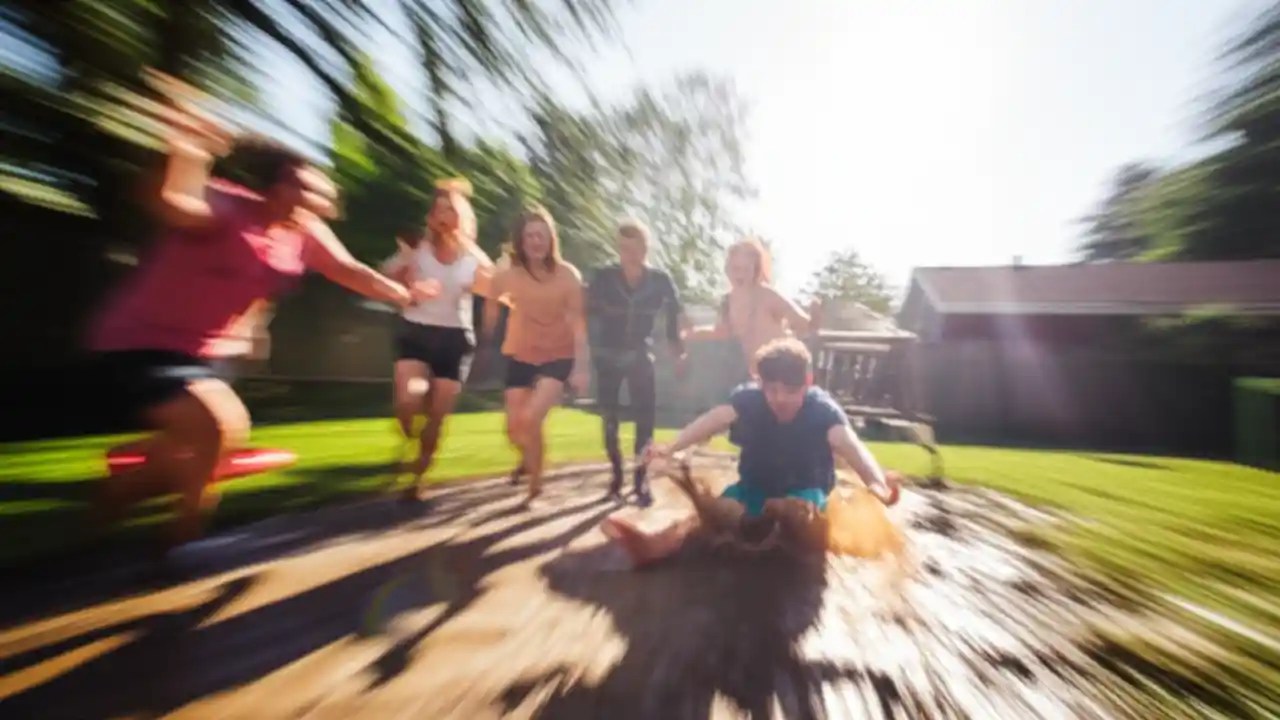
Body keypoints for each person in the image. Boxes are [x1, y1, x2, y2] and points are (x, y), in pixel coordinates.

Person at [86, 76, 425, 555]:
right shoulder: (230, 208)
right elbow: (172, 202)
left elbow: (349, 271)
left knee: (201, 446)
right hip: (140, 344)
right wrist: (191, 147)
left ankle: (111, 503)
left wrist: (404, 295)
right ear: (280, 186)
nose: (322, 195)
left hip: (201, 355)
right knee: (221, 425)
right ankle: (178, 541)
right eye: (309, 184)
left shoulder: (303, 232)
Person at [600, 337, 901, 567]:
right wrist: (672, 447)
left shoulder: (822, 411)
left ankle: (785, 518)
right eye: (771, 390)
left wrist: (876, 483)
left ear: (807, 383)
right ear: (760, 383)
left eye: (790, 391)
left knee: (792, 512)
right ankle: (657, 545)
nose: (780, 399)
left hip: (807, 494)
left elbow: (852, 446)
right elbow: (714, 419)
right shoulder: (748, 399)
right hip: (753, 489)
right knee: (719, 513)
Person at [381, 178, 495, 503]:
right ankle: (408, 438)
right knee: (407, 402)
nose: (443, 216)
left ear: (462, 217)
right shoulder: (417, 249)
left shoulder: (473, 257)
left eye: (451, 210)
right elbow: (384, 276)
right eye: (439, 209)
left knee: (437, 419)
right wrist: (406, 283)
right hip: (416, 332)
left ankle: (417, 477)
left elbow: (496, 289)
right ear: (431, 217)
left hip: (454, 339)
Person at [482, 206, 590, 506]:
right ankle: (530, 461)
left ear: (551, 239)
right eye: (530, 235)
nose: (536, 241)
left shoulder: (568, 275)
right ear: (521, 240)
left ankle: (535, 486)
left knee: (531, 418)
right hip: (521, 354)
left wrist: (582, 367)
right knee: (514, 428)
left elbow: (579, 324)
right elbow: (491, 298)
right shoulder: (509, 275)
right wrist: (488, 333)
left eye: (541, 235)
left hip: (558, 355)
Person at [586, 219, 689, 506]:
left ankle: (640, 479)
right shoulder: (604, 277)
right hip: (607, 354)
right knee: (609, 418)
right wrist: (585, 353)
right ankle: (616, 476)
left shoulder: (660, 280)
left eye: (636, 247)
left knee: (645, 419)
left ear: (646, 248)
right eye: (624, 247)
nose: (630, 253)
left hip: (640, 354)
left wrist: (677, 349)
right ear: (618, 248)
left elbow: (673, 317)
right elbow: (587, 313)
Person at [690, 238, 820, 378]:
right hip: (747, 372)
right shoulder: (726, 301)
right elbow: (721, 332)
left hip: (776, 369)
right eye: (735, 269)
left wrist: (815, 312)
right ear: (727, 269)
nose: (740, 275)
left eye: (746, 269)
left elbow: (804, 323)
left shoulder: (767, 295)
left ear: (756, 270)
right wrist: (689, 333)